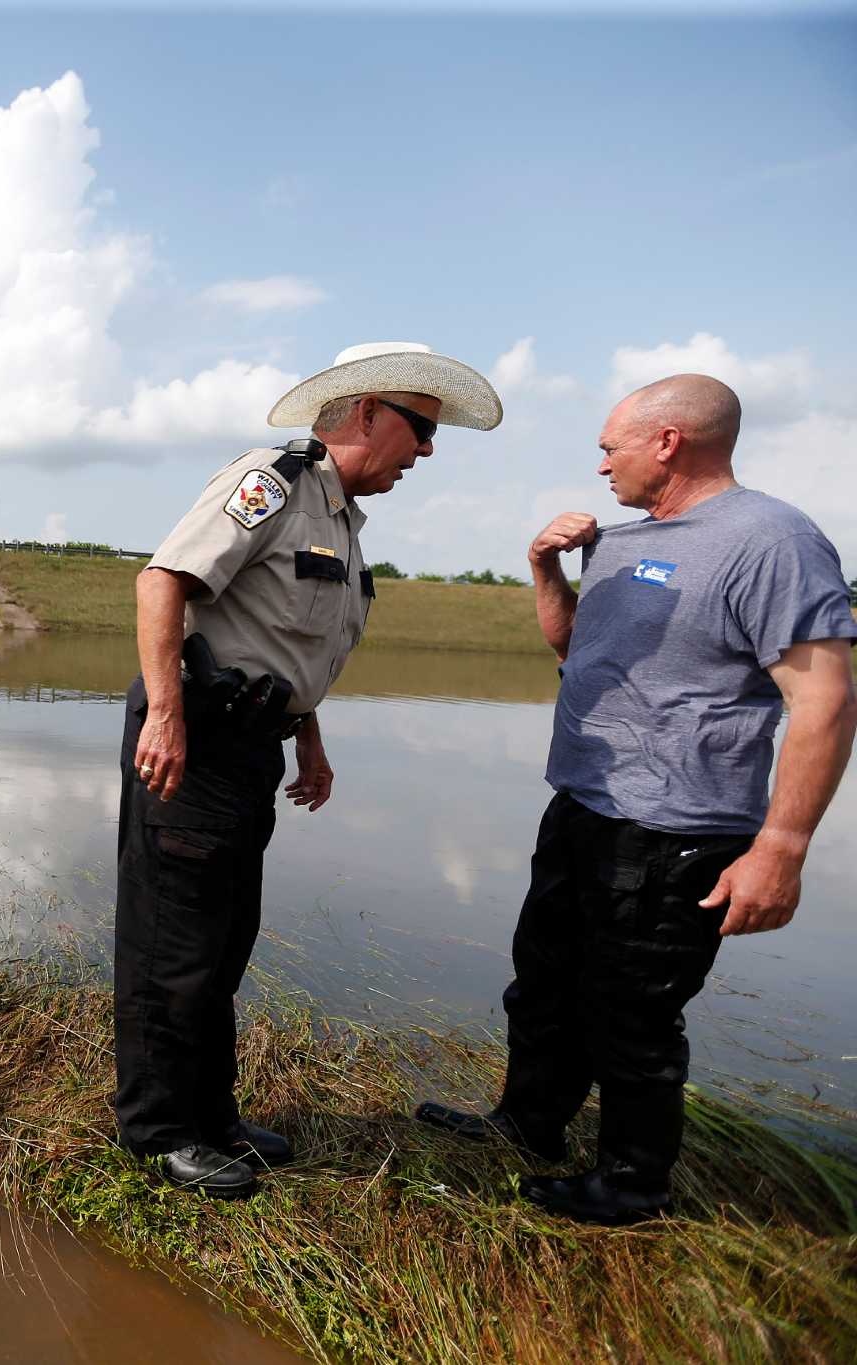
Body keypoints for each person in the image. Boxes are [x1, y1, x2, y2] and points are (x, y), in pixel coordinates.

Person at [416, 374, 857, 1224]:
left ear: (667, 442)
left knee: (631, 1012)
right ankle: (529, 1124)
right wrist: (545, 567)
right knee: (544, 983)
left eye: (609, 446)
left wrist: (781, 849)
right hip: (583, 805)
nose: (601, 464)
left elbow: (825, 701)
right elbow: (577, 648)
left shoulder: (771, 540)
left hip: (677, 831)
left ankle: (630, 1184)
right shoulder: (619, 540)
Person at [118, 342, 505, 1195]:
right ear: (366, 412)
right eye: (422, 428)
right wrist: (169, 716)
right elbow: (161, 582)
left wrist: (308, 736)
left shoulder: (340, 521)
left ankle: (213, 1116)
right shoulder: (274, 483)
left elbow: (282, 647)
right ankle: (157, 1131)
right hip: (195, 739)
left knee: (223, 945)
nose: (427, 451)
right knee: (173, 945)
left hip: (251, 744)